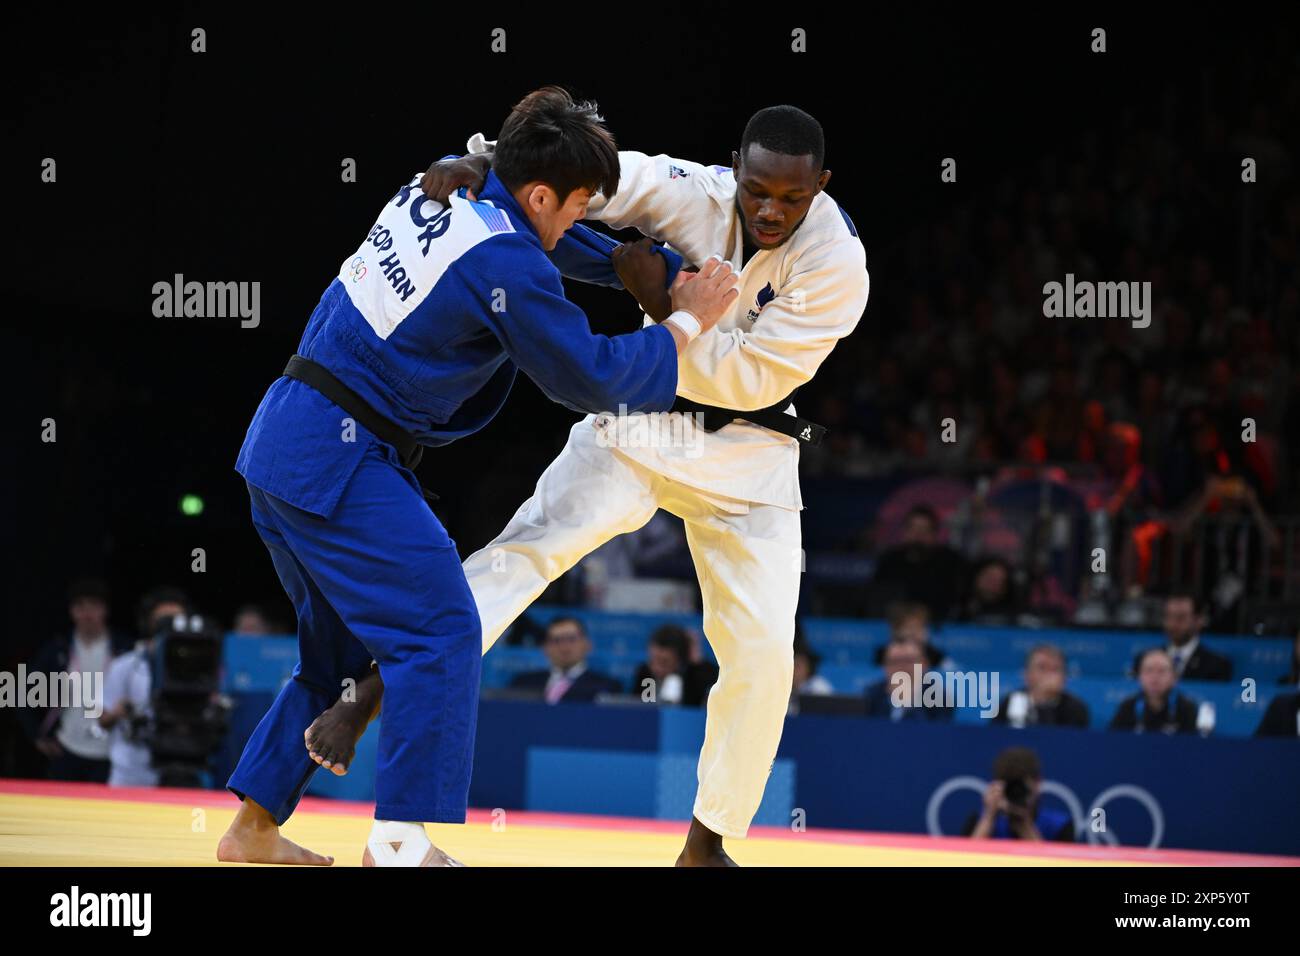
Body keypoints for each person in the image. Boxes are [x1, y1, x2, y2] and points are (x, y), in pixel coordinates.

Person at [304, 102, 870, 866]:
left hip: (750, 452)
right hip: (642, 424)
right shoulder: (693, 192)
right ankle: (373, 687)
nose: (770, 210)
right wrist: (488, 167)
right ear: (735, 168)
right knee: (523, 552)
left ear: (821, 187)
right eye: (757, 190)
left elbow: (751, 377)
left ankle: (705, 844)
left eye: (791, 199)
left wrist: (664, 307)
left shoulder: (838, 265)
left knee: (764, 653)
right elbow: (586, 179)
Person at [215, 87, 738, 868]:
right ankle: (398, 842)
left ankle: (251, 829)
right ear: (536, 192)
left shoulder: (444, 191)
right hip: (338, 456)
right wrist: (686, 319)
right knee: (443, 627)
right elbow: (594, 377)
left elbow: (551, 244)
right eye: (579, 205)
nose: (582, 218)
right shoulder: (499, 254)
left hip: (288, 440)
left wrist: (655, 268)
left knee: (338, 655)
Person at [21, 578, 133, 783]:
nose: (87, 614)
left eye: (94, 606)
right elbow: (21, 691)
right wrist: (37, 736)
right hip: (67, 750)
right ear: (72, 611)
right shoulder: (58, 650)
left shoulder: (125, 649)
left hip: (111, 753)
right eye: (80, 607)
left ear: (105, 610)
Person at [99, 588, 190, 787]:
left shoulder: (197, 672)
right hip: (129, 775)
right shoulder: (124, 666)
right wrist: (118, 712)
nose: (170, 626)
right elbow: (100, 718)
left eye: (176, 619)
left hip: (178, 775)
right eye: (164, 620)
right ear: (149, 622)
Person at [963, 748, 1075, 842]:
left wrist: (1024, 826)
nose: (1015, 793)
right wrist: (988, 818)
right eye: (1011, 789)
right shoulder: (979, 821)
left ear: (1037, 784)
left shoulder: (1060, 826)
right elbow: (964, 861)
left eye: (1021, 789)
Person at [506, 616, 622, 704]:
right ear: (545, 648)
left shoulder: (607, 687)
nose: (564, 647)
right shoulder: (523, 683)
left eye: (571, 639)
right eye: (556, 640)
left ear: (587, 645)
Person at [1132, 591, 1232, 682]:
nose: (1172, 624)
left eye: (1181, 618)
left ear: (1199, 620)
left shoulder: (1216, 666)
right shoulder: (1145, 661)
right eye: (1168, 616)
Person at [993, 644, 1090, 729]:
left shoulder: (1075, 709)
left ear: (1064, 677)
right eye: (1042, 667)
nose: (1049, 674)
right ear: (1027, 674)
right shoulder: (1009, 702)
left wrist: (1045, 702)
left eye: (1055, 669)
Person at [1109, 649, 1200, 734]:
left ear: (1174, 678)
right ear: (1139, 676)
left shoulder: (1187, 710)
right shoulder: (1127, 707)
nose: (1155, 678)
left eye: (1162, 671)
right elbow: (1112, 742)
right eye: (1149, 670)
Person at [628, 625, 718, 707]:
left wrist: (698, 662)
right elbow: (637, 707)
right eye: (652, 660)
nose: (656, 667)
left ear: (679, 660)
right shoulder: (644, 673)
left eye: (664, 662)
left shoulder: (693, 674)